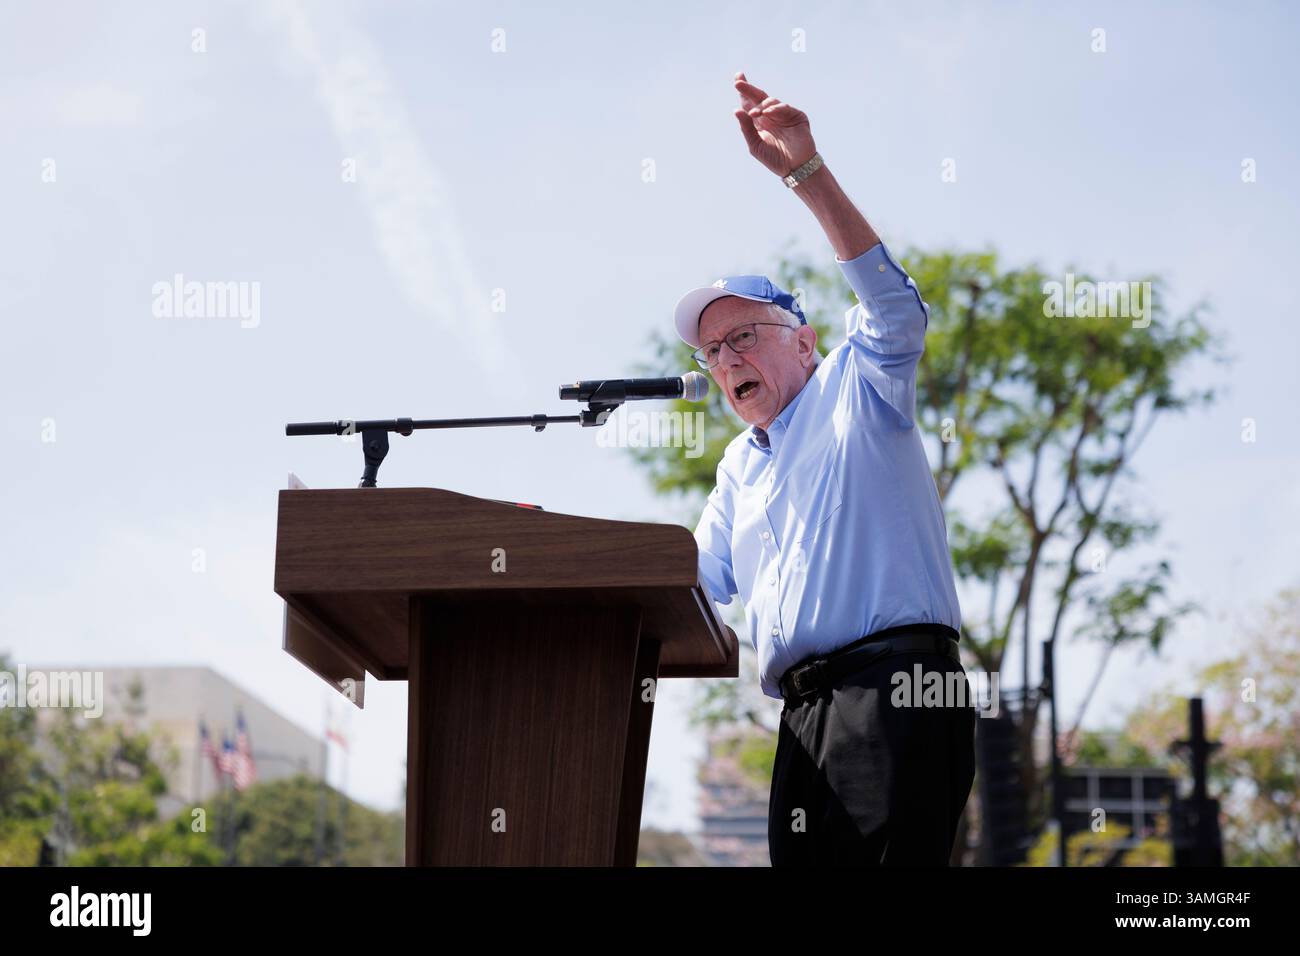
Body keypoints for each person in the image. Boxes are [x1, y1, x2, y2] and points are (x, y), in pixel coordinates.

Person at [677, 73, 975, 866]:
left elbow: (896, 310)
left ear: (804, 342)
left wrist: (805, 173)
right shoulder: (740, 465)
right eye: (713, 351)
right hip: (802, 719)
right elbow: (692, 580)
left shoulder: (859, 384)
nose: (726, 358)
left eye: (744, 335)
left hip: (897, 692)